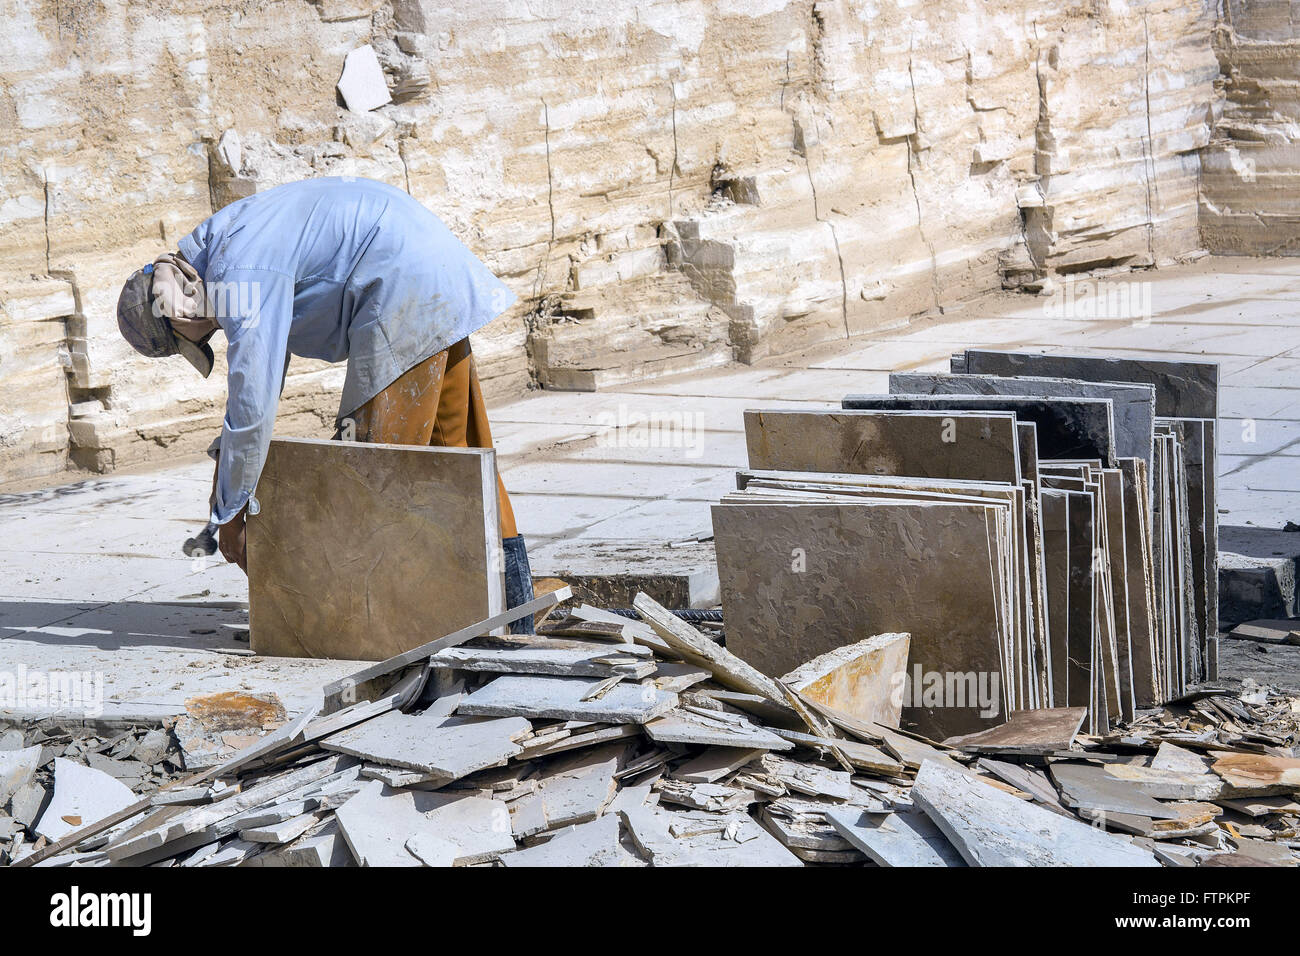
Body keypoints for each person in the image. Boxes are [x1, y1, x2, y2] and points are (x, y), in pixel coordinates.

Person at [114, 176, 535, 631]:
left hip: (398, 287)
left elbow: (253, 403)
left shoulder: (238, 273)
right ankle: (516, 616)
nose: (212, 332)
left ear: (178, 315)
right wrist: (227, 474)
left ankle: (380, 629)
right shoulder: (225, 242)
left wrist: (230, 513)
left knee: (370, 476)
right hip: (428, 269)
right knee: (463, 454)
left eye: (193, 340)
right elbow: (260, 377)